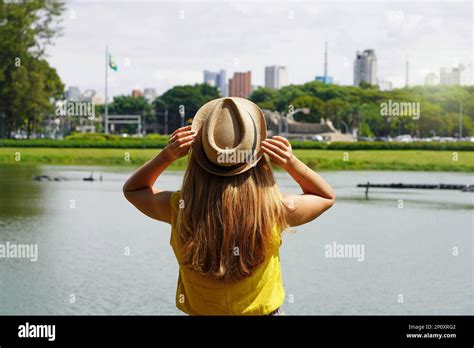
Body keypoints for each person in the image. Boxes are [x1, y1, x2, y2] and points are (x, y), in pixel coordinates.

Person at [123, 97, 335, 315]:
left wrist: (166, 155)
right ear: (257, 157)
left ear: (197, 157)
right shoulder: (273, 209)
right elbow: (325, 196)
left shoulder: (180, 208)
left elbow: (134, 190)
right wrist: (291, 162)